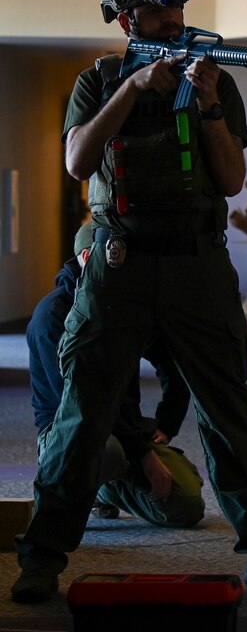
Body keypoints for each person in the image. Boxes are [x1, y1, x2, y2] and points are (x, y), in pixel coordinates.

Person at [11, 0, 247, 603]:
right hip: (119, 264)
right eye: (158, 9)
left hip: (198, 265)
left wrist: (206, 106)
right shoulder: (99, 81)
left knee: (229, 411)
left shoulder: (215, 84)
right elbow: (77, 160)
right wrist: (133, 88)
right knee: (82, 411)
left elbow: (231, 180)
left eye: (179, 8)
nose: (174, 20)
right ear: (126, 18)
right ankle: (42, 557)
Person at [26, 221, 204, 528]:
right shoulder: (53, 317)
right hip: (68, 429)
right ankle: (74, 485)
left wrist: (167, 420)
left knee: (186, 506)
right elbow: (83, 405)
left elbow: (172, 359)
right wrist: (144, 454)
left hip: (123, 428)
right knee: (103, 451)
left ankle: (107, 484)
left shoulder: (123, 303)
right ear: (86, 258)